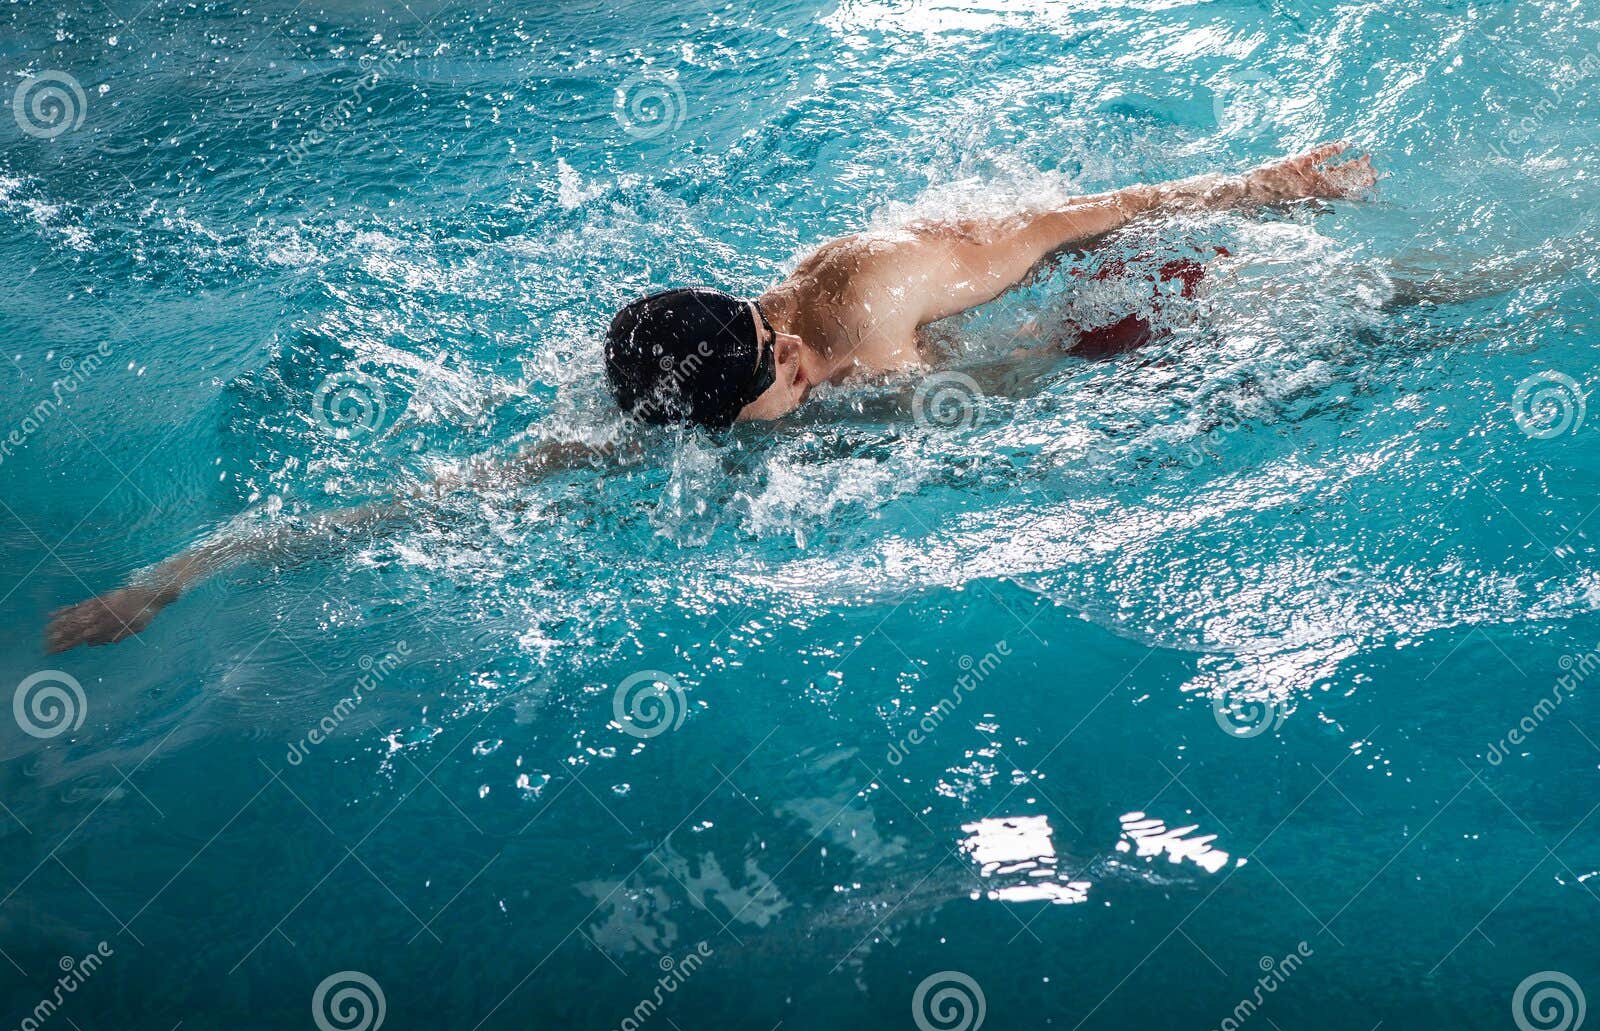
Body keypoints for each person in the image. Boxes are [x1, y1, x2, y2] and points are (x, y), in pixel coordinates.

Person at [44, 143, 1376, 653]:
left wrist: (1274, 185)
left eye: (783, 360)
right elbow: (445, 496)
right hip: (985, 401)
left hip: (1091, 323)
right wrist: (173, 574)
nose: (794, 374)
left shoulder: (865, 291)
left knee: (1348, 339)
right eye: (774, 385)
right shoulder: (664, 411)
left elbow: (1085, 215)